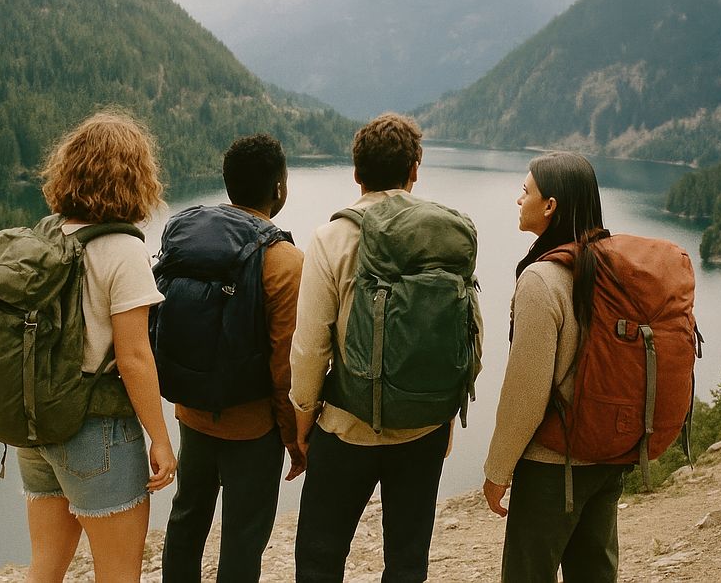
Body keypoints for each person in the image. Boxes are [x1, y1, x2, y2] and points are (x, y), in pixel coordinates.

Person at [290, 112, 481, 582]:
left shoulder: (332, 237)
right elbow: (469, 326)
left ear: (356, 173)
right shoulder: (445, 232)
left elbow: (311, 346)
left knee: (319, 556)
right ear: (415, 169)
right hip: (423, 427)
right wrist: (447, 407)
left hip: (346, 425)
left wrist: (302, 420)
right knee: (408, 557)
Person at [16, 110, 176, 583]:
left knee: (45, 566)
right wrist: (161, 439)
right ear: (135, 178)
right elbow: (133, 358)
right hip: (96, 433)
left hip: (36, 427)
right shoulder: (122, 250)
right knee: (119, 574)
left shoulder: (45, 235)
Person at [161, 133, 305, 582]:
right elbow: (284, 367)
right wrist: (292, 439)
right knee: (244, 538)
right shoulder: (284, 259)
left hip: (193, 410)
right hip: (254, 426)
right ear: (278, 188)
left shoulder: (187, 231)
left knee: (186, 520)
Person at [483, 151, 627, 582]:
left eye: (525, 191)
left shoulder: (542, 280)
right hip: (606, 454)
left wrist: (497, 470)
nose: (518, 199)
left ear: (550, 206)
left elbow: (526, 392)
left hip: (553, 465)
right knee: (595, 573)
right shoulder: (613, 264)